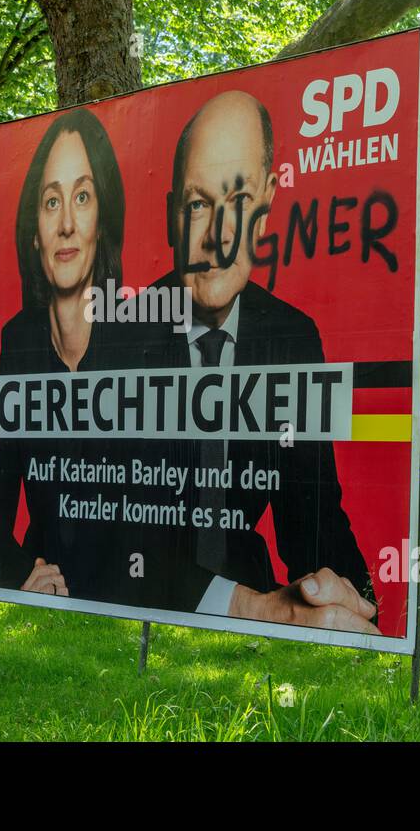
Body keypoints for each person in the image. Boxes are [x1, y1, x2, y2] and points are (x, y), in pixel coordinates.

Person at [142, 89, 379, 634]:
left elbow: (312, 513)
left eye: (241, 201)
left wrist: (358, 608)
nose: (219, 236)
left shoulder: (292, 336)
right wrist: (251, 608)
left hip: (255, 593)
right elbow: (112, 534)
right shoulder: (118, 335)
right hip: (151, 598)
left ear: (269, 204)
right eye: (199, 204)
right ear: (173, 212)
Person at [0, 107, 130, 598]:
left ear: (101, 220)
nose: (65, 224)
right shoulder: (18, 342)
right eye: (50, 201)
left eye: (82, 197)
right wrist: (25, 577)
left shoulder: (142, 343)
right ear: (35, 231)